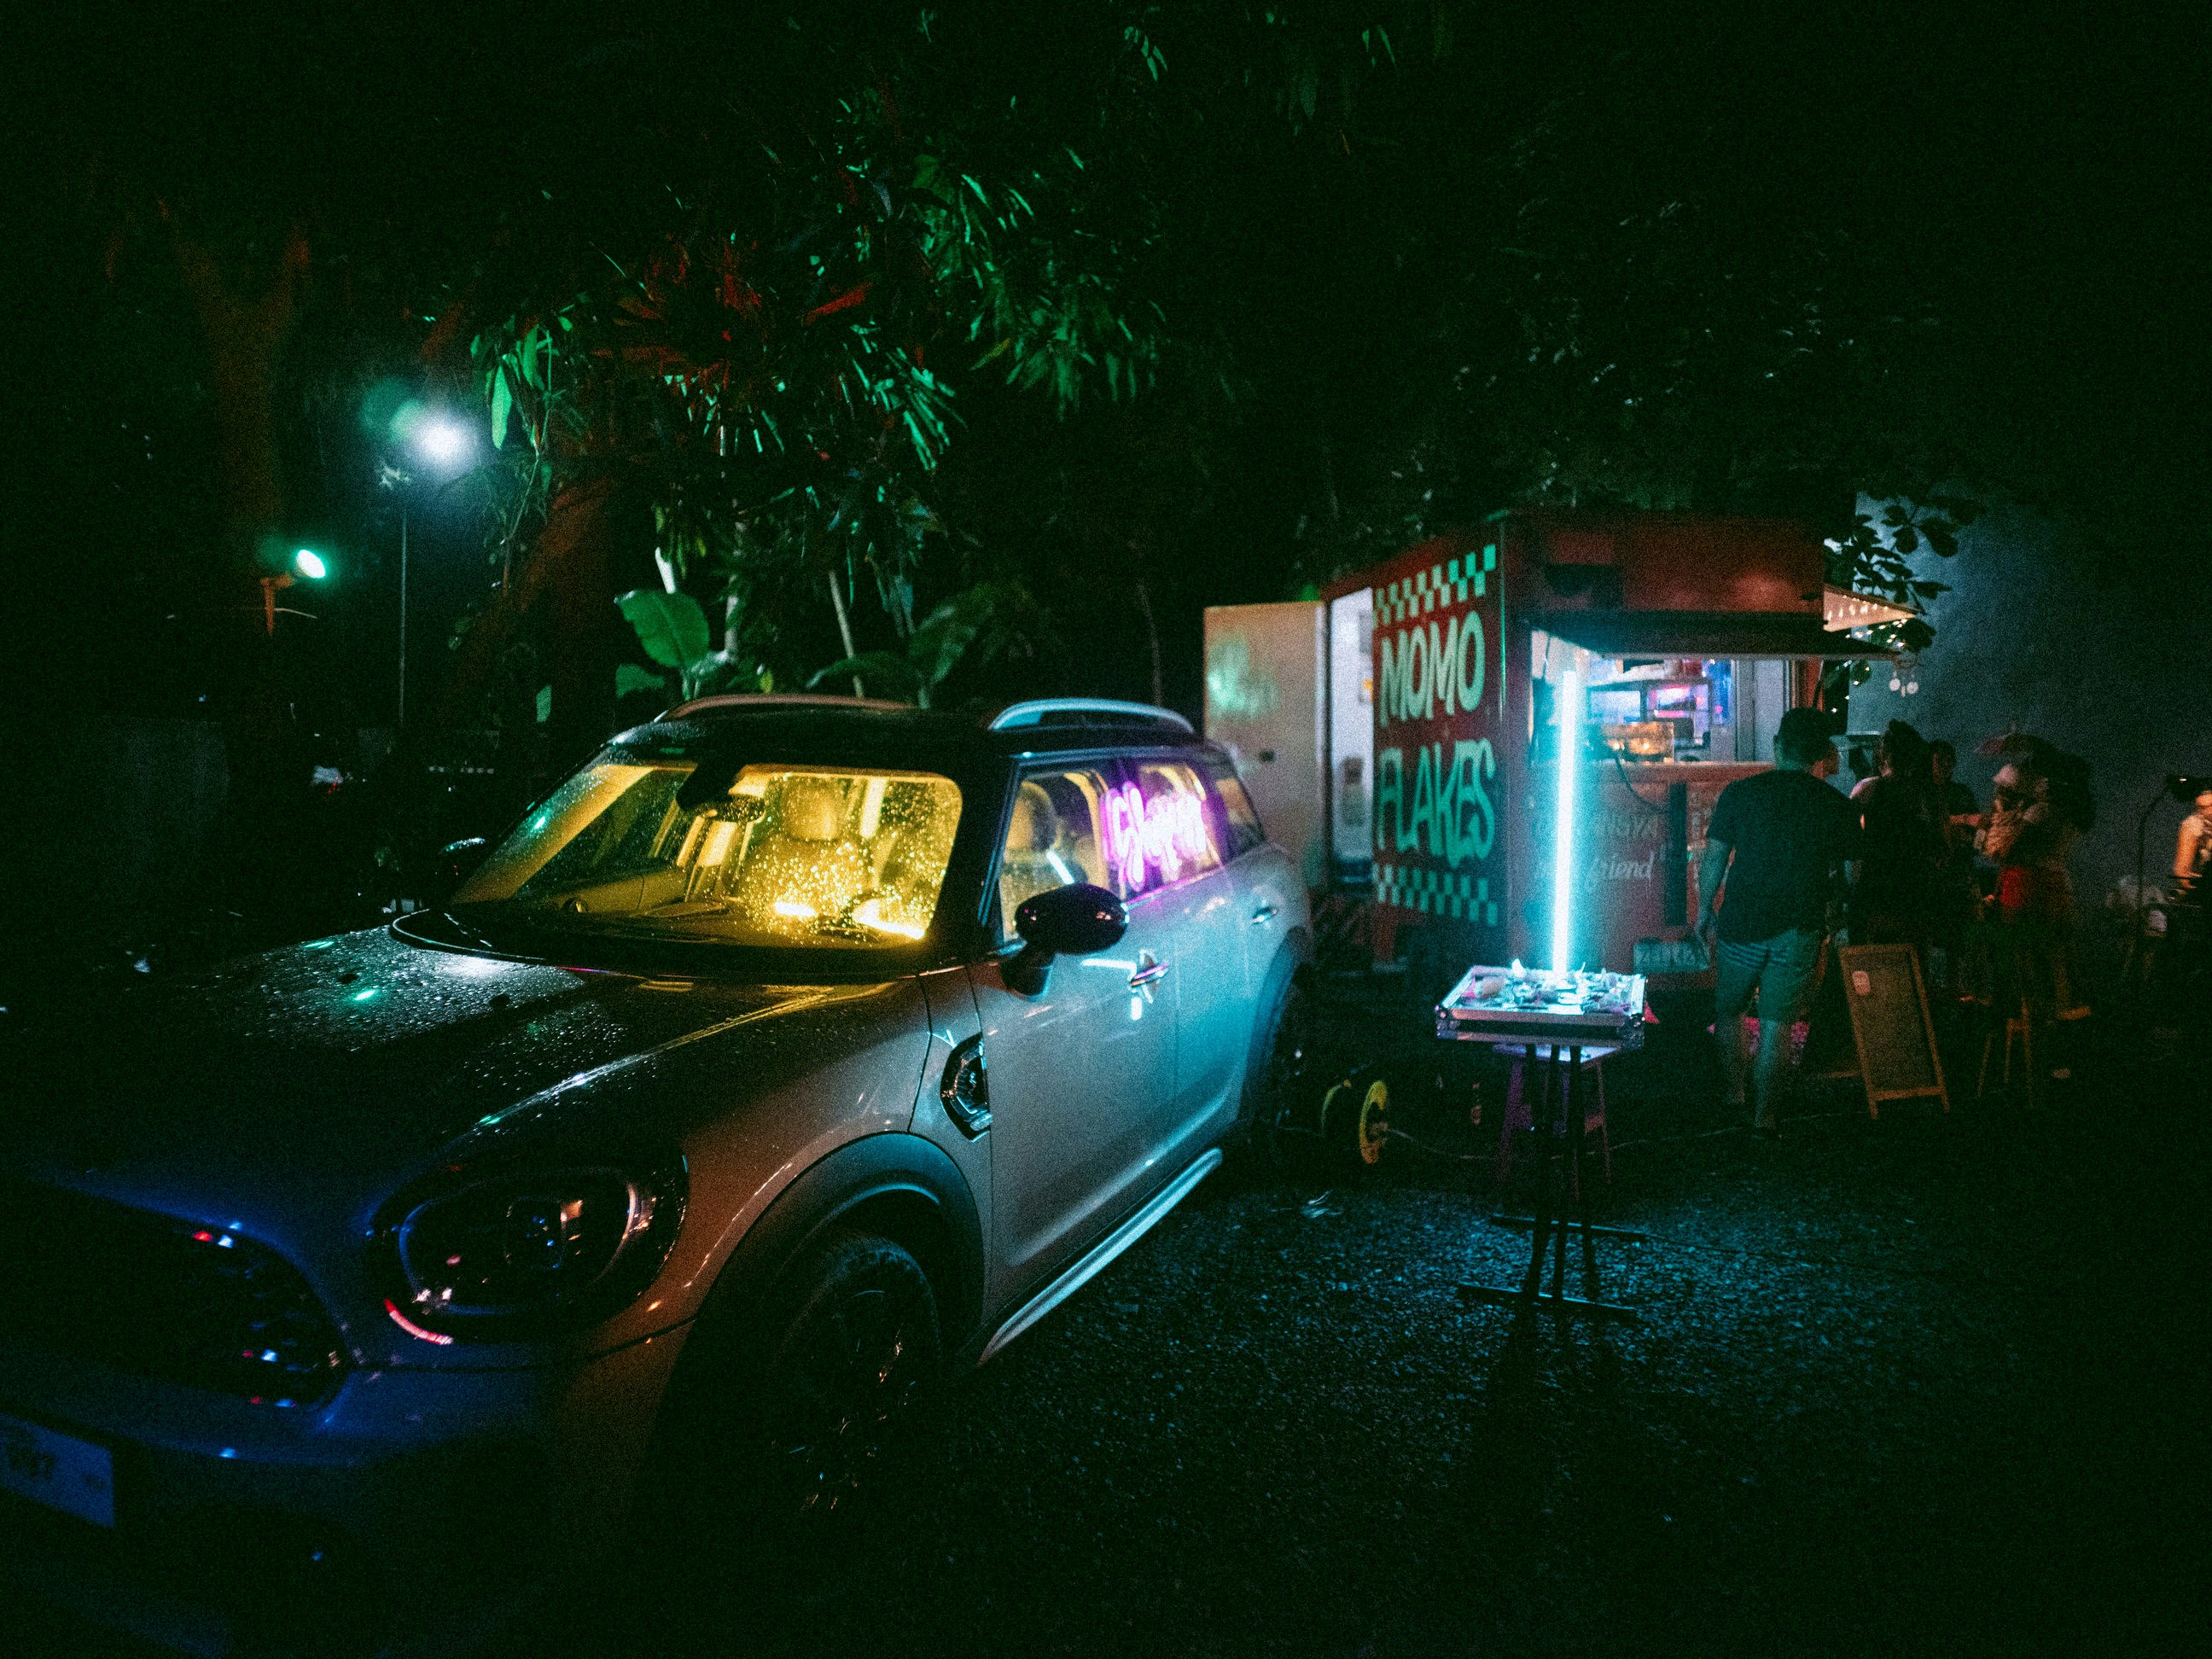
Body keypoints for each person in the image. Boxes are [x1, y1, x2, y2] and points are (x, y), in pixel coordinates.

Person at [1697, 707, 1860, 1136]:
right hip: (1800, 926)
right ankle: (1765, 1119)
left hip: (1741, 922)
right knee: (1777, 1025)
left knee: (1729, 1011)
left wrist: (1701, 912)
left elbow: (1714, 856)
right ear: (1821, 755)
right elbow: (1853, 872)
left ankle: (1734, 1096)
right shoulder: (1835, 805)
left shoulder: (1741, 793)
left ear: (1778, 746)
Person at [1850, 719, 1948, 952]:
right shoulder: (1931, 796)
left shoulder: (1869, 789)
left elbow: (1847, 837)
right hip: (1917, 890)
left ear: (1884, 755)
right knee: (1915, 964)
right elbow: (1944, 847)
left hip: (1876, 887)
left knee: (1871, 962)